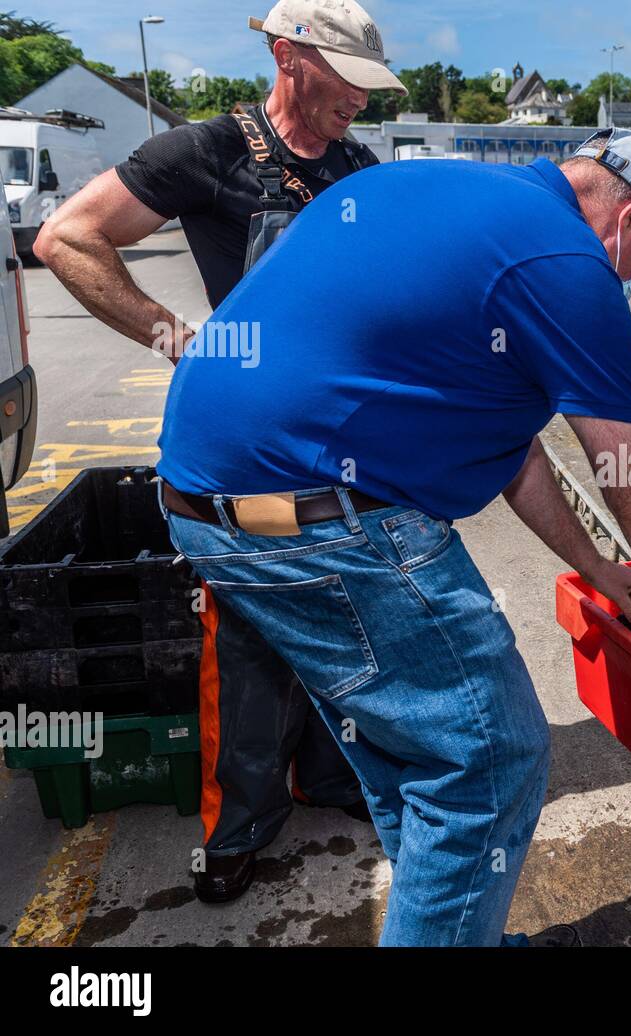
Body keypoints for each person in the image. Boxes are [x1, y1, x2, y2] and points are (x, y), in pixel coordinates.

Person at [152, 127, 631, 946]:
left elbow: (516, 454)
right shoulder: (567, 263)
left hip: (204, 506)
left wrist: (599, 570)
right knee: (489, 761)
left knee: (405, 752)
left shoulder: (458, 198)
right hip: (324, 524)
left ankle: (451, 931)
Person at [34, 0, 407, 905]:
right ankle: (238, 825)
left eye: (369, 85)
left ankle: (325, 776)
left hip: (338, 445)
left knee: (341, 619)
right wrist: (181, 341)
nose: (360, 102)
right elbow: (66, 237)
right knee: (244, 639)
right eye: (346, 80)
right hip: (242, 448)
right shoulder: (208, 151)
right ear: (288, 57)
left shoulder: (357, 166)